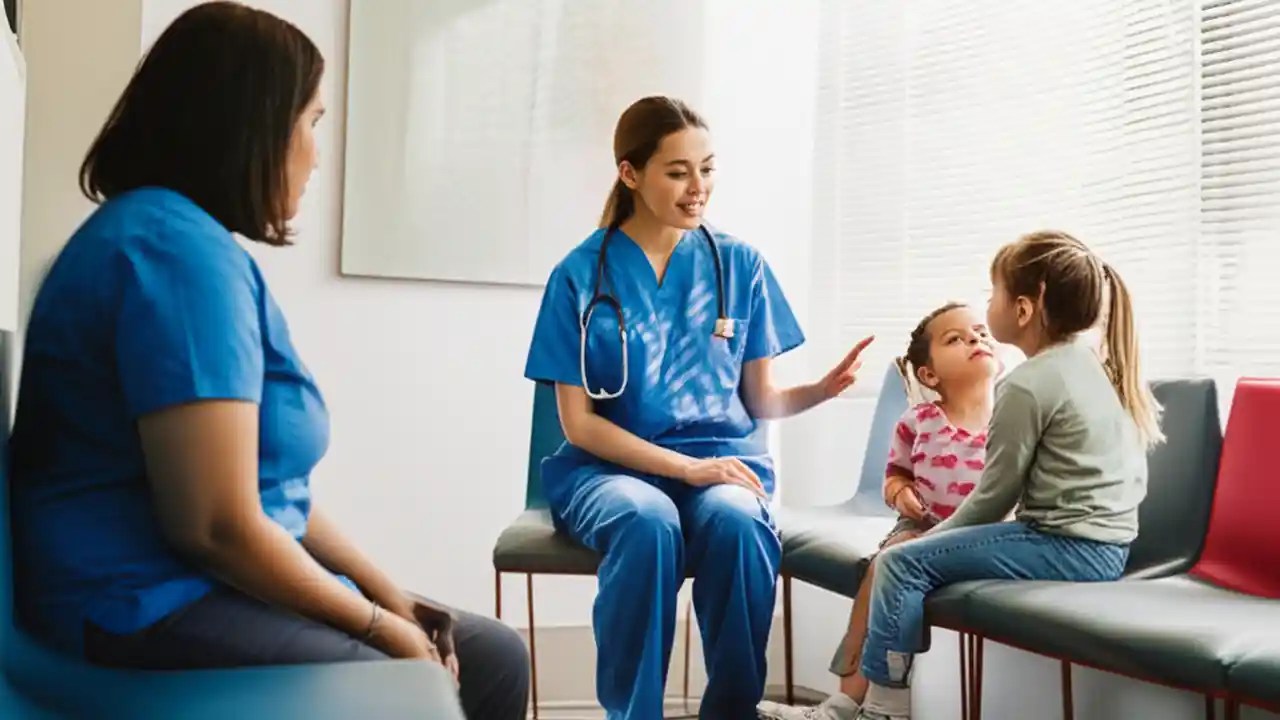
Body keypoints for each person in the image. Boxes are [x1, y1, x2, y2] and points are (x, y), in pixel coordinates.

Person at [8, 4, 528, 718]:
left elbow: (263, 485)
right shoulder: (173, 254)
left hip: (184, 585)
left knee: (493, 654)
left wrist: (385, 590)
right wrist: (381, 628)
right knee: (436, 679)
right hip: (139, 604)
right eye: (312, 120)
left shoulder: (177, 239)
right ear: (252, 126)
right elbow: (216, 526)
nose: (318, 149)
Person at [523, 95, 874, 719]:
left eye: (707, 169)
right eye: (678, 171)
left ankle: (732, 712)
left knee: (740, 523)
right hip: (609, 473)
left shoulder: (739, 264)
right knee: (646, 519)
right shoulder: (579, 275)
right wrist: (683, 469)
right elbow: (579, 424)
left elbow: (760, 400)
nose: (698, 188)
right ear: (630, 174)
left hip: (723, 466)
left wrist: (819, 391)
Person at [811, 231, 1162, 720]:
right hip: (1104, 547)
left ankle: (883, 708)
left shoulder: (1027, 383)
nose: (986, 307)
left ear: (1023, 308)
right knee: (904, 557)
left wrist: (922, 542)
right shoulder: (1092, 365)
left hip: (1067, 547)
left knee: (898, 564)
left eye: (992, 293)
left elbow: (992, 501)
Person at [758, 302, 999, 720]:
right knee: (883, 568)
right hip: (920, 526)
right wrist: (901, 493)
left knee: (899, 565)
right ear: (929, 375)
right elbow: (894, 477)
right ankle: (845, 702)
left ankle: (879, 705)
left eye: (980, 332)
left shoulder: (1012, 418)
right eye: (955, 338)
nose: (975, 339)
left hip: (978, 537)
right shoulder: (919, 421)